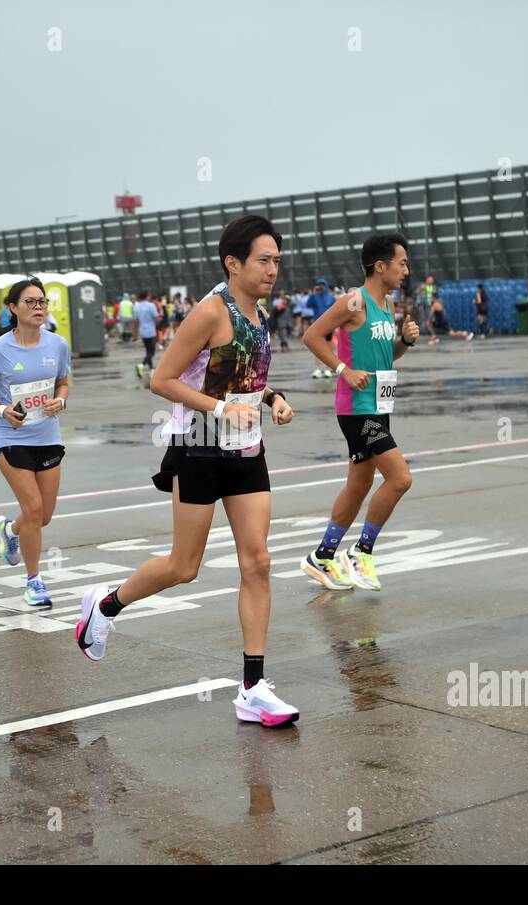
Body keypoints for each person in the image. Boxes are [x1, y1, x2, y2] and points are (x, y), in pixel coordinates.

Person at [72, 214, 299, 728]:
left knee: (258, 561)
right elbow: (162, 379)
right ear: (233, 262)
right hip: (197, 446)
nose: (272, 270)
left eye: (276, 262)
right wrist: (220, 411)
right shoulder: (209, 311)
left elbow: (242, 379)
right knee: (184, 566)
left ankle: (253, 687)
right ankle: (104, 606)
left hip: (245, 449)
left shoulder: (257, 313)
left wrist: (274, 398)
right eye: (263, 260)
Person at [300, 232, 420, 591]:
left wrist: (405, 342)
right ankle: (362, 551)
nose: (406, 270)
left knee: (359, 484)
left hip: (378, 405)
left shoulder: (387, 306)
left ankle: (323, 556)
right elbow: (312, 335)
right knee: (400, 478)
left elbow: (388, 357)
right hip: (357, 409)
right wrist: (343, 371)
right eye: (401, 263)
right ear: (380, 266)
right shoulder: (355, 301)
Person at [0, 277, 71, 608]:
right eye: (30, 302)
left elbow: (63, 383)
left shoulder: (57, 345)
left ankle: (10, 532)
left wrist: (61, 401)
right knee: (33, 509)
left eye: (42, 301)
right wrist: (2, 410)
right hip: (12, 440)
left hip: (48, 436)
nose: (38, 307)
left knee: (42, 517)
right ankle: (34, 582)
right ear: (13, 308)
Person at [307, 278, 337, 377]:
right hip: (317, 325)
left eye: (322, 285)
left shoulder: (331, 298)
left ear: (326, 285)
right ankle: (318, 369)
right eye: (319, 285)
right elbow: (308, 305)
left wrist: (336, 326)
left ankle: (328, 369)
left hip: (329, 325)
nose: (320, 287)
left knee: (328, 347)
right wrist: (313, 293)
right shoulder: (314, 297)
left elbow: (335, 311)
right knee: (318, 348)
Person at [133, 290, 159, 379]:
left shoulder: (137, 306)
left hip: (142, 331)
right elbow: (156, 318)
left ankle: (152, 369)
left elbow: (136, 321)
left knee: (148, 351)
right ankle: (142, 365)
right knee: (152, 352)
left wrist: (135, 332)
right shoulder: (151, 305)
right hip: (151, 331)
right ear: (147, 296)